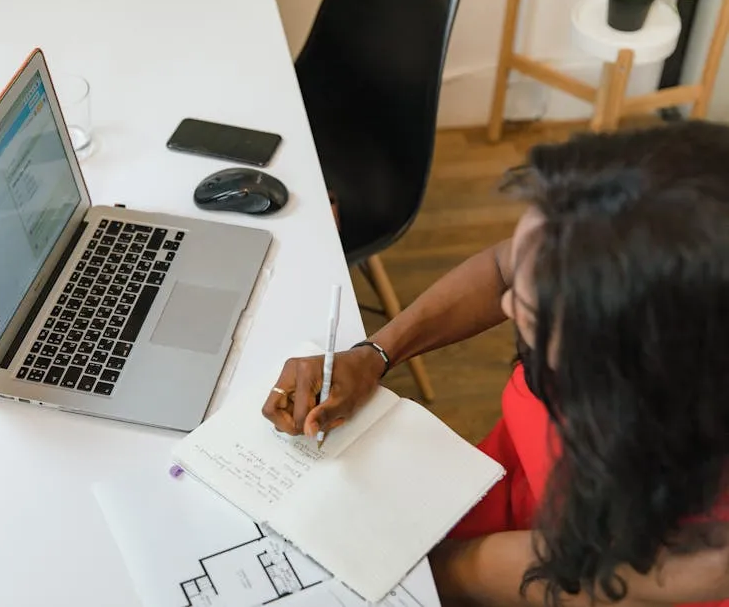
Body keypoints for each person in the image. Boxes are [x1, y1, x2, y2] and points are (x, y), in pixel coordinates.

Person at [261, 120, 729, 607]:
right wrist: (375, 355)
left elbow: (503, 575)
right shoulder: (585, 270)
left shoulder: (698, 554)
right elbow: (507, 267)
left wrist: (396, 575)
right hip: (483, 507)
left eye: (531, 311)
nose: (506, 304)